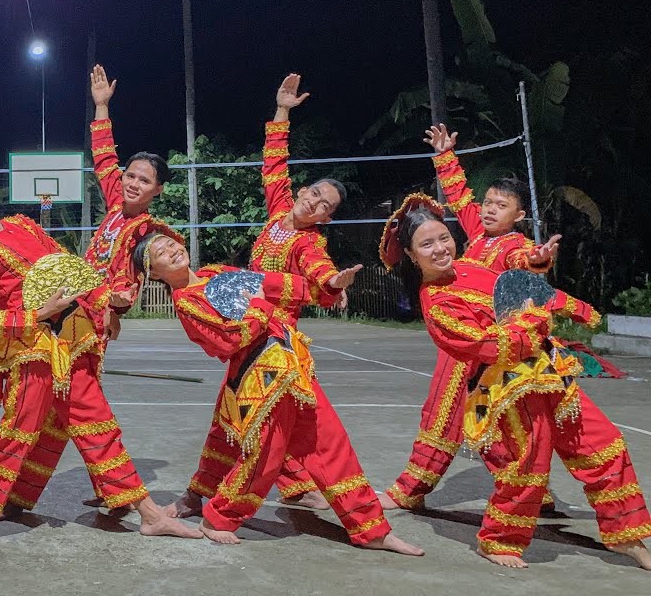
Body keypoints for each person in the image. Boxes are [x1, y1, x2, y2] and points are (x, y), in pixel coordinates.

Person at [0, 157, 201, 542]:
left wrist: (105, 306)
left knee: (99, 427)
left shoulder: (22, 224)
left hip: (74, 345)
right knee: (18, 433)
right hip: (33, 356)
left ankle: (149, 515)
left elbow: (72, 271)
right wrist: (39, 313)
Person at [381, 194, 651, 569]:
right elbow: (487, 345)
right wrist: (533, 322)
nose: (441, 248)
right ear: (412, 255)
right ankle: (498, 541)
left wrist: (572, 306)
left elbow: (521, 288)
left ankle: (628, 536)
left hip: (552, 377)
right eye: (427, 244)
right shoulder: (438, 303)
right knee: (527, 466)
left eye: (443, 237)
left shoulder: (473, 266)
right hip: (507, 392)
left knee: (605, 445)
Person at [138, 232, 423, 555]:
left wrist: (328, 287)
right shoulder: (186, 302)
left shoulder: (214, 274)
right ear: (154, 273)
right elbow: (227, 342)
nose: (172, 250)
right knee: (264, 458)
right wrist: (259, 305)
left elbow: (273, 283)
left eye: (171, 243)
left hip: (292, 367)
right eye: (160, 253)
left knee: (331, 443)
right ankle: (218, 518)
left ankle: (371, 528)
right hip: (261, 380)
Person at [170, 73, 361, 516]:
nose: (314, 204)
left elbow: (321, 274)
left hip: (279, 343)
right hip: (248, 329)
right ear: (301, 193)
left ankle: (214, 494)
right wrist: (281, 112)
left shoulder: (310, 243)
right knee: (243, 413)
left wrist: (334, 284)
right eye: (314, 194)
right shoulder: (278, 215)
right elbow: (273, 165)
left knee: (277, 414)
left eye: (325, 206)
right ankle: (217, 493)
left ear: (326, 220)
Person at [4, 64, 185, 511]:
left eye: (144, 180)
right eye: (131, 175)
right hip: (68, 309)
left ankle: (44, 492)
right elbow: (104, 157)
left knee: (73, 403)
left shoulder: (146, 228)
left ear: (157, 190)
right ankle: (106, 492)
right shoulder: (114, 205)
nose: (132, 182)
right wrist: (102, 106)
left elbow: (144, 265)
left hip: (90, 319)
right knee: (63, 406)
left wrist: (122, 304)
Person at [381, 124, 573, 510]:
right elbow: (460, 198)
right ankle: (411, 489)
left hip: (494, 351)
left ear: (518, 216)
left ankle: (530, 490)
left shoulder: (512, 246)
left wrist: (539, 260)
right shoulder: (475, 236)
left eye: (501, 206)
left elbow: (525, 261)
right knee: (451, 418)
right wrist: (444, 156)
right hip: (461, 344)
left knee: (495, 420)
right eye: (489, 202)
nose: (489, 209)